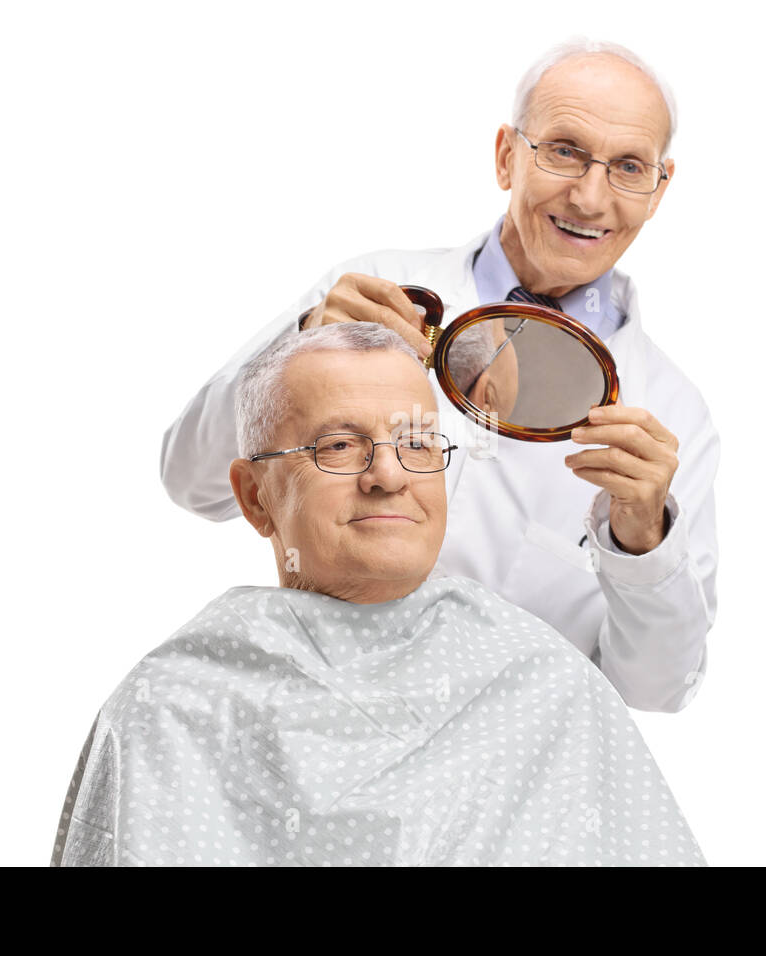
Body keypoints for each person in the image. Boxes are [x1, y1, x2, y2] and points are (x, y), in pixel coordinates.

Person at [159, 37, 720, 714]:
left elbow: (655, 689)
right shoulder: (373, 289)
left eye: (629, 166)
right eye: (565, 150)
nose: (591, 196)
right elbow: (192, 481)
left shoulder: (671, 414)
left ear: (659, 190)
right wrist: (301, 347)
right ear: (507, 156)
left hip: (504, 787)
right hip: (316, 725)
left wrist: (643, 538)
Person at [52, 324, 706, 866]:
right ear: (254, 497)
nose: (389, 474)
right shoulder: (172, 706)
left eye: (417, 443)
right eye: (339, 446)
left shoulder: (545, 687)